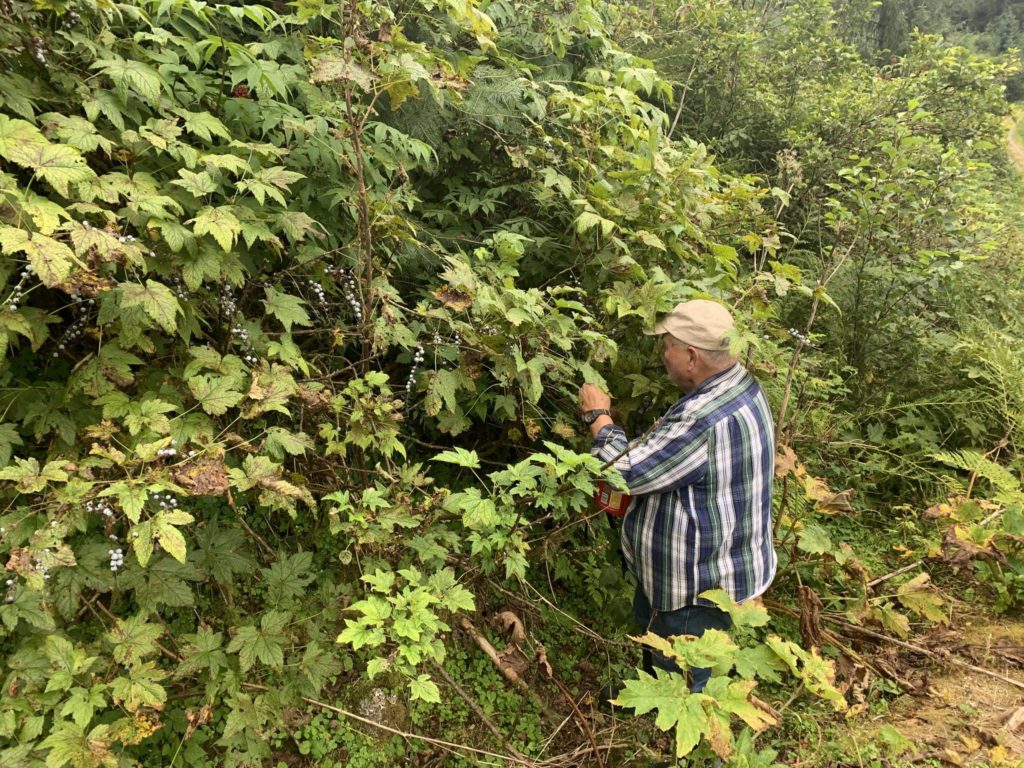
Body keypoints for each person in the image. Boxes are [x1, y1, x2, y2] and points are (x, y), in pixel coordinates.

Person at [579, 299, 777, 693]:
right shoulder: (741, 385)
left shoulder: (702, 418)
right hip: (726, 565)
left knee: (685, 682)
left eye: (667, 344)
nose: (662, 352)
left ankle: (683, 743)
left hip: (693, 587)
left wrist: (597, 418)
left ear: (691, 356)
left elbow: (624, 470)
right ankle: (652, 697)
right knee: (663, 652)